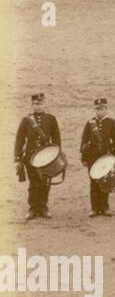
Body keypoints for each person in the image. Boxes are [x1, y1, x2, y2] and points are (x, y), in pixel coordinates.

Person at [15, 92, 62, 220]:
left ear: (44, 104)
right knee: (33, 182)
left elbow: (56, 137)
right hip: (30, 157)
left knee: (45, 183)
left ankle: (43, 207)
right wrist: (17, 158)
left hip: (47, 157)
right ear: (31, 105)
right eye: (36, 104)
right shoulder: (26, 120)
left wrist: (56, 154)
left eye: (40, 103)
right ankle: (33, 208)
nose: (38, 106)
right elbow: (19, 139)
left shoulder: (51, 119)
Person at [80, 97, 115, 218]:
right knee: (93, 182)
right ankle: (94, 208)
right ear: (95, 110)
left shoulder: (111, 123)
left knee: (105, 182)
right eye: (98, 109)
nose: (100, 111)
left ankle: (104, 207)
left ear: (106, 109)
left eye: (102, 109)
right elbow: (84, 140)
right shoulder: (90, 123)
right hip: (92, 158)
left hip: (106, 157)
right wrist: (84, 157)